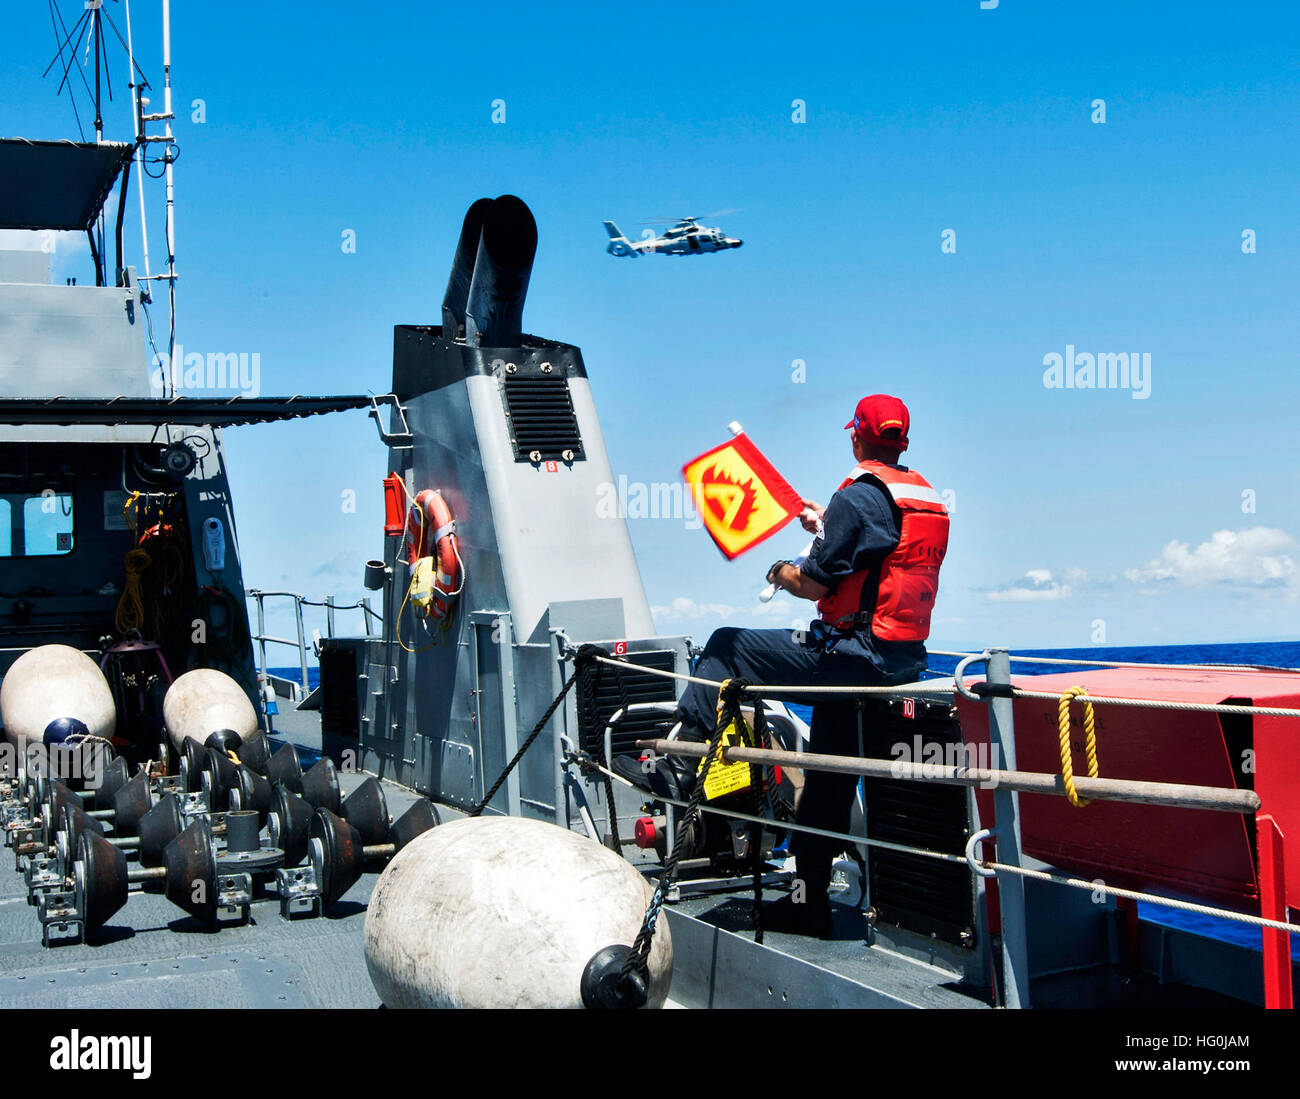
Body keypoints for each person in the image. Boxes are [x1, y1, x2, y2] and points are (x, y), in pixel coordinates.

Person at [672, 393, 949, 936]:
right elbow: (874, 552)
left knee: (729, 644)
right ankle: (809, 904)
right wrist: (824, 525)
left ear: (856, 436)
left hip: (850, 657)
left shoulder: (859, 496)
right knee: (827, 777)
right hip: (898, 663)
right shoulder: (923, 497)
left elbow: (815, 584)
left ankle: (680, 759)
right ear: (904, 442)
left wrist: (778, 570)